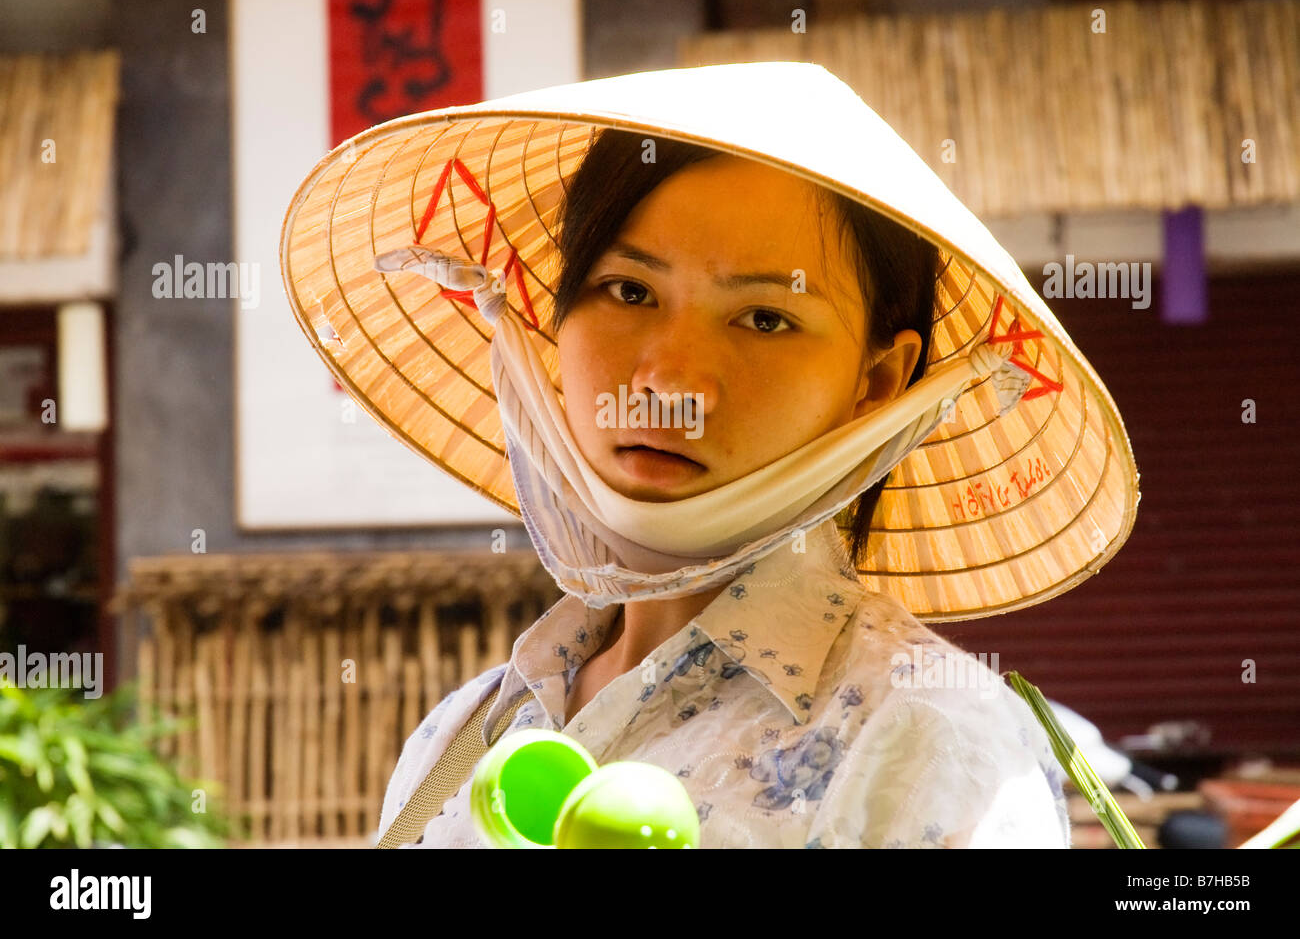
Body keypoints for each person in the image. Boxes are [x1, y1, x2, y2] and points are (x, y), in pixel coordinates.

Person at [279, 62, 1139, 848]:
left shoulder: (929, 738)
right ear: (552, 320)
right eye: (629, 291)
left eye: (765, 318)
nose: (669, 379)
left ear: (877, 382)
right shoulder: (462, 735)